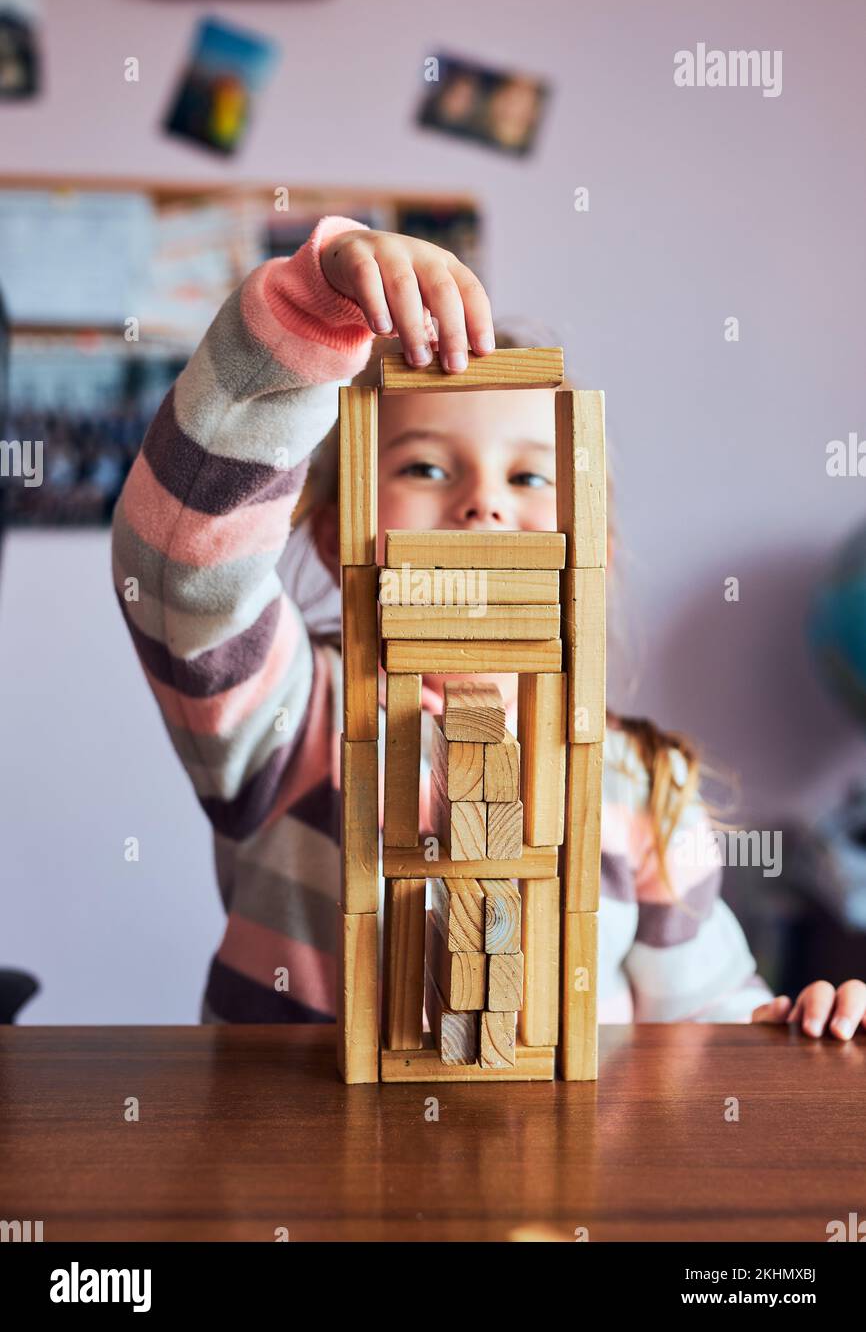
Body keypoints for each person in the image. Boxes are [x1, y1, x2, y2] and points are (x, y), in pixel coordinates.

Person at [110, 216, 865, 1039]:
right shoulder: (293, 718)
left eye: (530, 474)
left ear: (593, 551)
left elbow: (707, 1031)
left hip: (554, 1167)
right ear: (334, 537)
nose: (485, 503)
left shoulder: (643, 793)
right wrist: (307, 318)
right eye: (426, 467)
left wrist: (801, 1026)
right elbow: (179, 562)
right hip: (285, 1165)